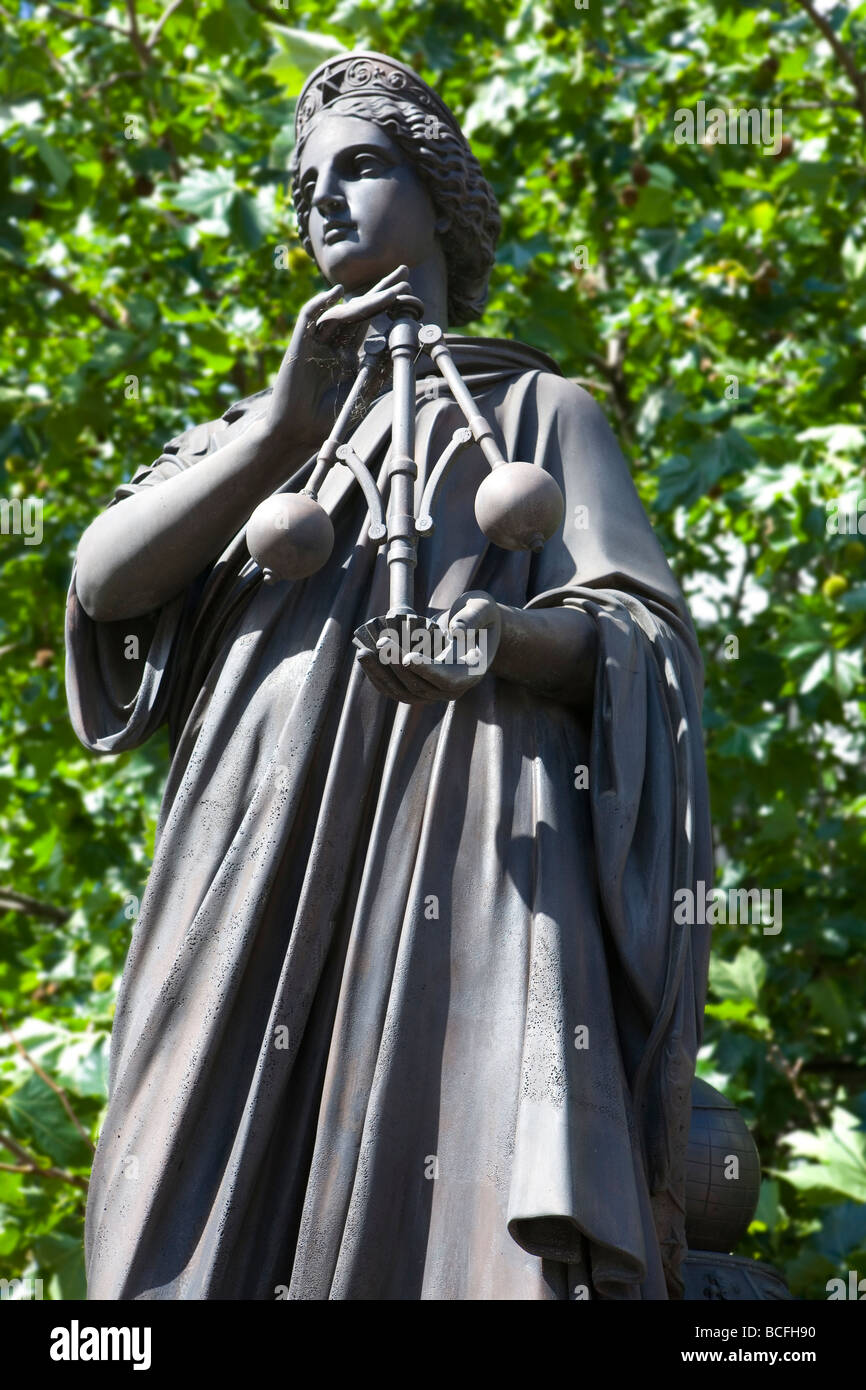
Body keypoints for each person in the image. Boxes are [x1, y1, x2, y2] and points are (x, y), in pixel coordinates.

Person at [66, 51, 712, 1300]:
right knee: (162, 1234)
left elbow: (639, 640)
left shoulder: (538, 414)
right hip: (244, 856)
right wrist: (274, 434)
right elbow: (105, 582)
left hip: (462, 855)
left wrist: (496, 643)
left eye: (360, 166)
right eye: (305, 179)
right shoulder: (269, 435)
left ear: (437, 201)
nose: (322, 197)